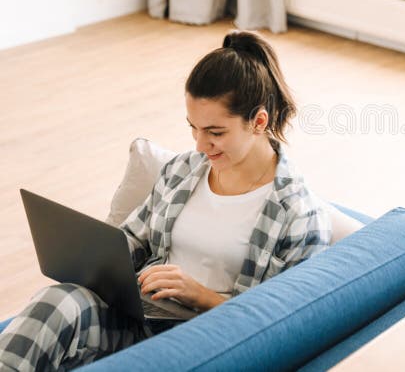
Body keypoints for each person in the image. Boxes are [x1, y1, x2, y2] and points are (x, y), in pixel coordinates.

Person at [0, 30, 333, 371]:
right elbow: (134, 238)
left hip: (207, 342)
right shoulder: (184, 170)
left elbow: (284, 328)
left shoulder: (297, 215)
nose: (201, 146)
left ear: (258, 121)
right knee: (56, 301)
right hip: (144, 317)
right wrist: (90, 259)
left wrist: (201, 296)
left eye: (215, 132)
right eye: (194, 128)